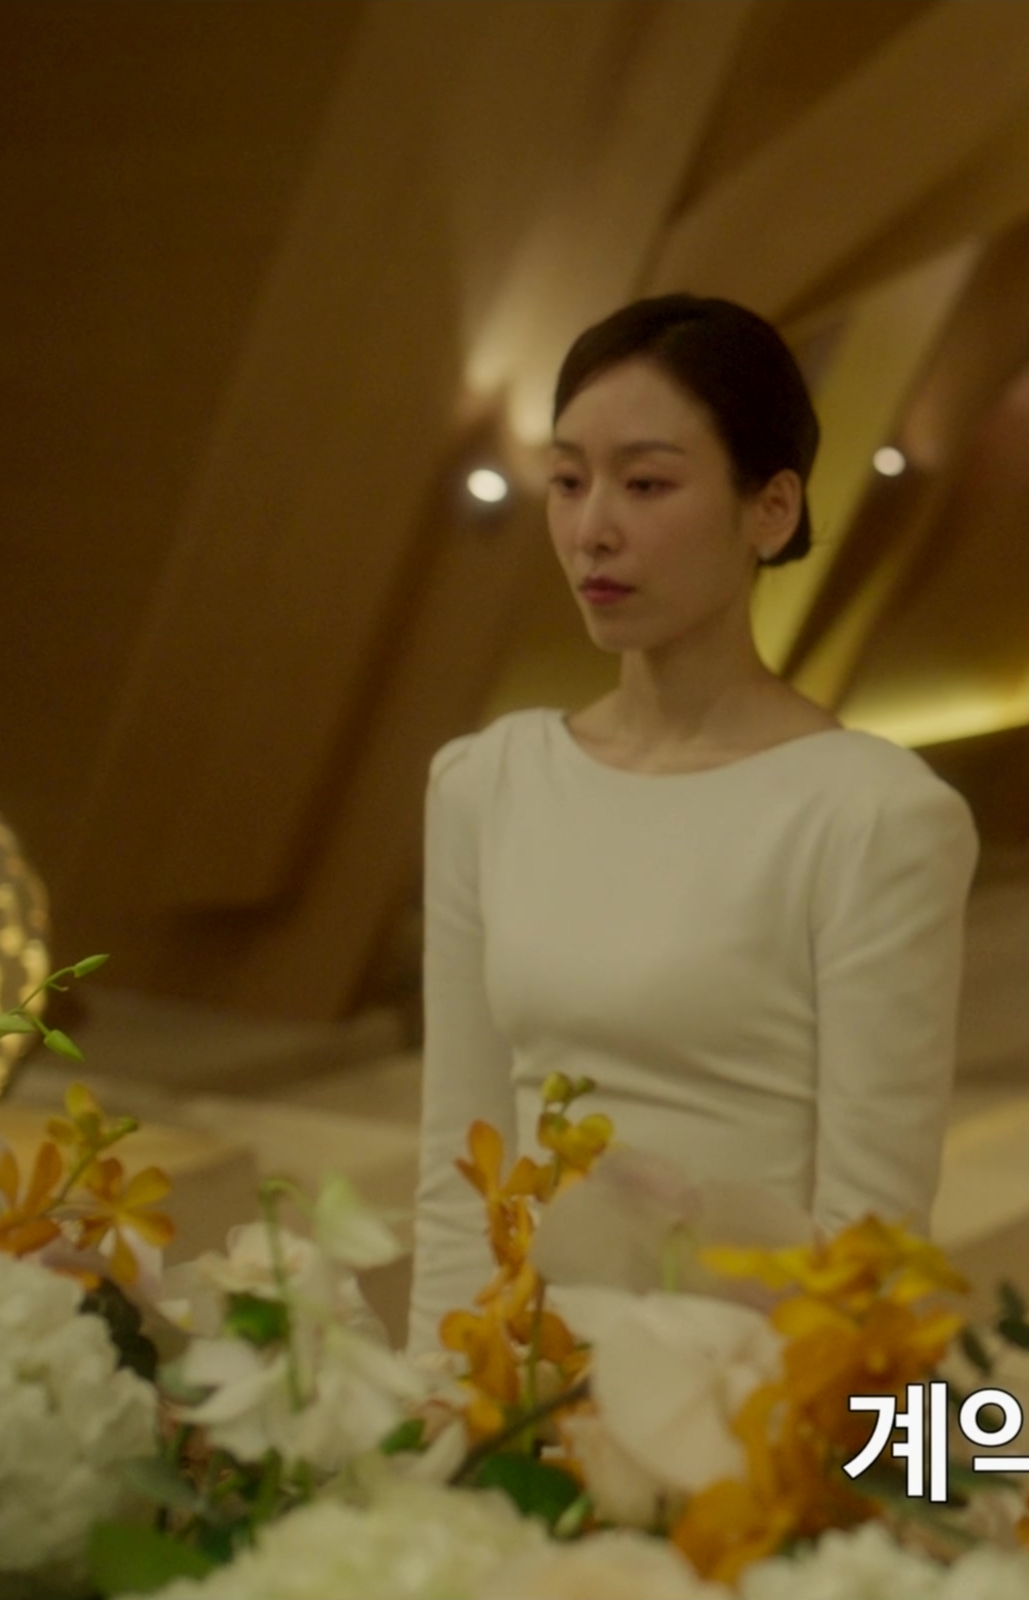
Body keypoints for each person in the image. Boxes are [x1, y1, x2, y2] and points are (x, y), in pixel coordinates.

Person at [410, 295, 978, 1336]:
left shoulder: (872, 816)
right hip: (520, 1383)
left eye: (646, 484)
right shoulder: (485, 783)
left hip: (743, 1390)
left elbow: (875, 1231)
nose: (593, 529)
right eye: (569, 481)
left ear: (771, 508)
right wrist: (438, 1395)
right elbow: (461, 1163)